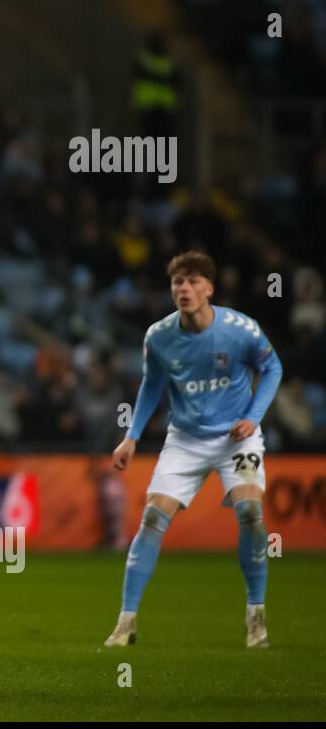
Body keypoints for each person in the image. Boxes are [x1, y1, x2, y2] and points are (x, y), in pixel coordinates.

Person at [104, 251, 281, 649]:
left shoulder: (240, 330)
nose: (184, 288)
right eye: (177, 282)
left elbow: (273, 368)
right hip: (184, 439)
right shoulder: (159, 336)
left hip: (237, 437)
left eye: (193, 280)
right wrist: (132, 435)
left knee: (250, 511)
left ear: (210, 288)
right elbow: (152, 385)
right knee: (151, 519)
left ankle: (256, 616)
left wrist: (253, 415)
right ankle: (126, 623)